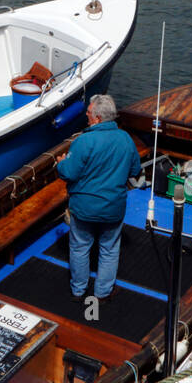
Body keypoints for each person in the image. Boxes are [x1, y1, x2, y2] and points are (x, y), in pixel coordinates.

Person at [57, 94, 141, 309]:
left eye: (88, 113)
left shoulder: (83, 141)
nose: (85, 116)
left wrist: (60, 163)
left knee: (79, 248)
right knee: (109, 249)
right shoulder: (125, 139)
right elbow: (134, 171)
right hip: (113, 208)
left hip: (84, 208)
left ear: (96, 117)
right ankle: (102, 293)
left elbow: (69, 173)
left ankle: (78, 290)